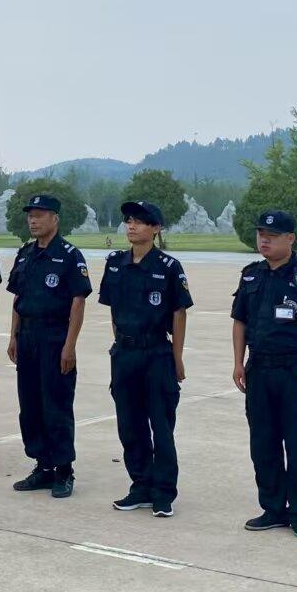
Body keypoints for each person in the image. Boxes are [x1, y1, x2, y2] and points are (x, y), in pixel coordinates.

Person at [231, 209, 297, 540]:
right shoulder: (251, 276)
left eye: (272, 236)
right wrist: (238, 362)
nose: (264, 240)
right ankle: (273, 509)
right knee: (263, 445)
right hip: (260, 370)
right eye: (261, 235)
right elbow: (240, 321)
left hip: (295, 372)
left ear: (290, 239)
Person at [99, 200, 193, 518]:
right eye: (129, 220)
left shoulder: (168, 267)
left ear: (155, 228)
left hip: (156, 354)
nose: (132, 226)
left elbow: (179, 314)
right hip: (125, 354)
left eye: (139, 221)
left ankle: (163, 492)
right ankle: (140, 485)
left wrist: (177, 358)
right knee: (130, 424)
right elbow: (114, 309)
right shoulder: (115, 263)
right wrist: (120, 345)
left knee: (161, 427)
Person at [5, 193, 91, 499]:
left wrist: (70, 345)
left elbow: (78, 301)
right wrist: (13, 335)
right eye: (30, 215)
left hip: (55, 337)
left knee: (56, 405)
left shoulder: (69, 255)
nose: (33, 220)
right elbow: (18, 297)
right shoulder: (26, 254)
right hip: (27, 337)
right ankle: (42, 466)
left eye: (40, 215)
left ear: (55, 218)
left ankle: (63, 470)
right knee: (30, 405)